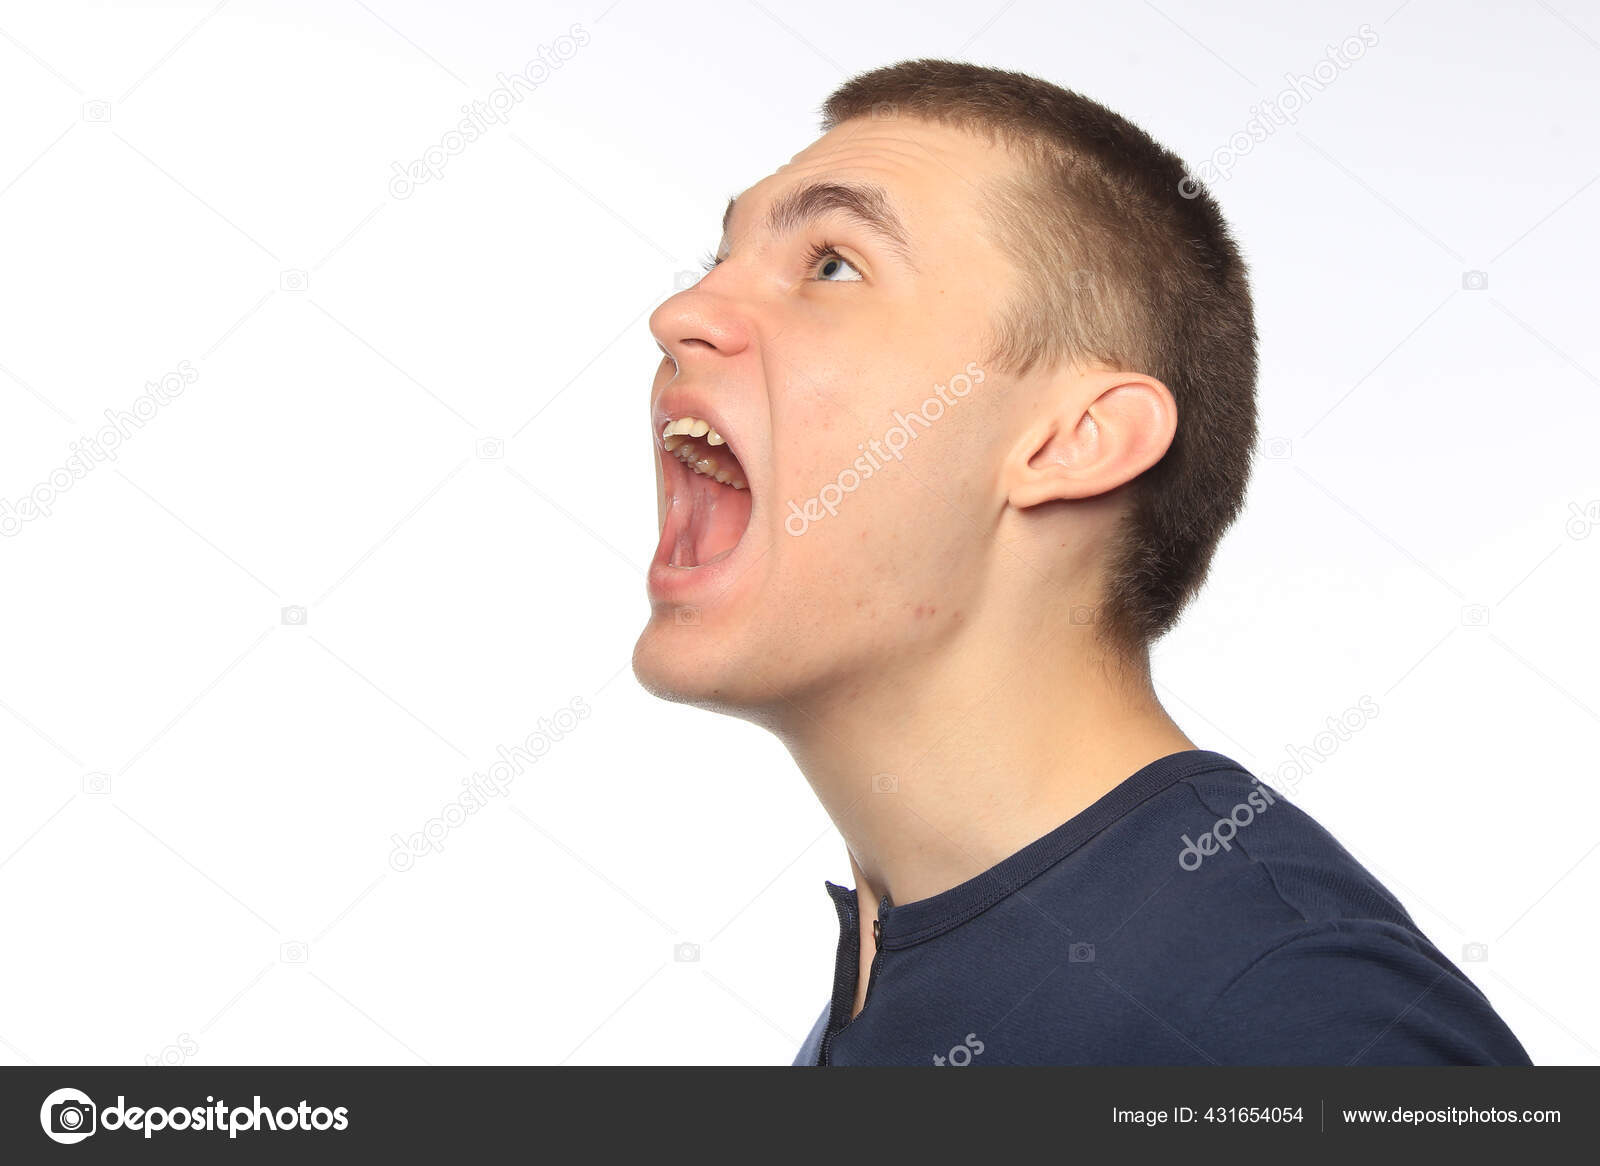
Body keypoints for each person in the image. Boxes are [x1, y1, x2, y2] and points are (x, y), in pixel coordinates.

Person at [632, 58, 1529, 1066]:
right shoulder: (900, 958)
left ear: (1073, 440)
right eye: (717, 257)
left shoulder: (1293, 1015)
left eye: (832, 263)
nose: (681, 313)